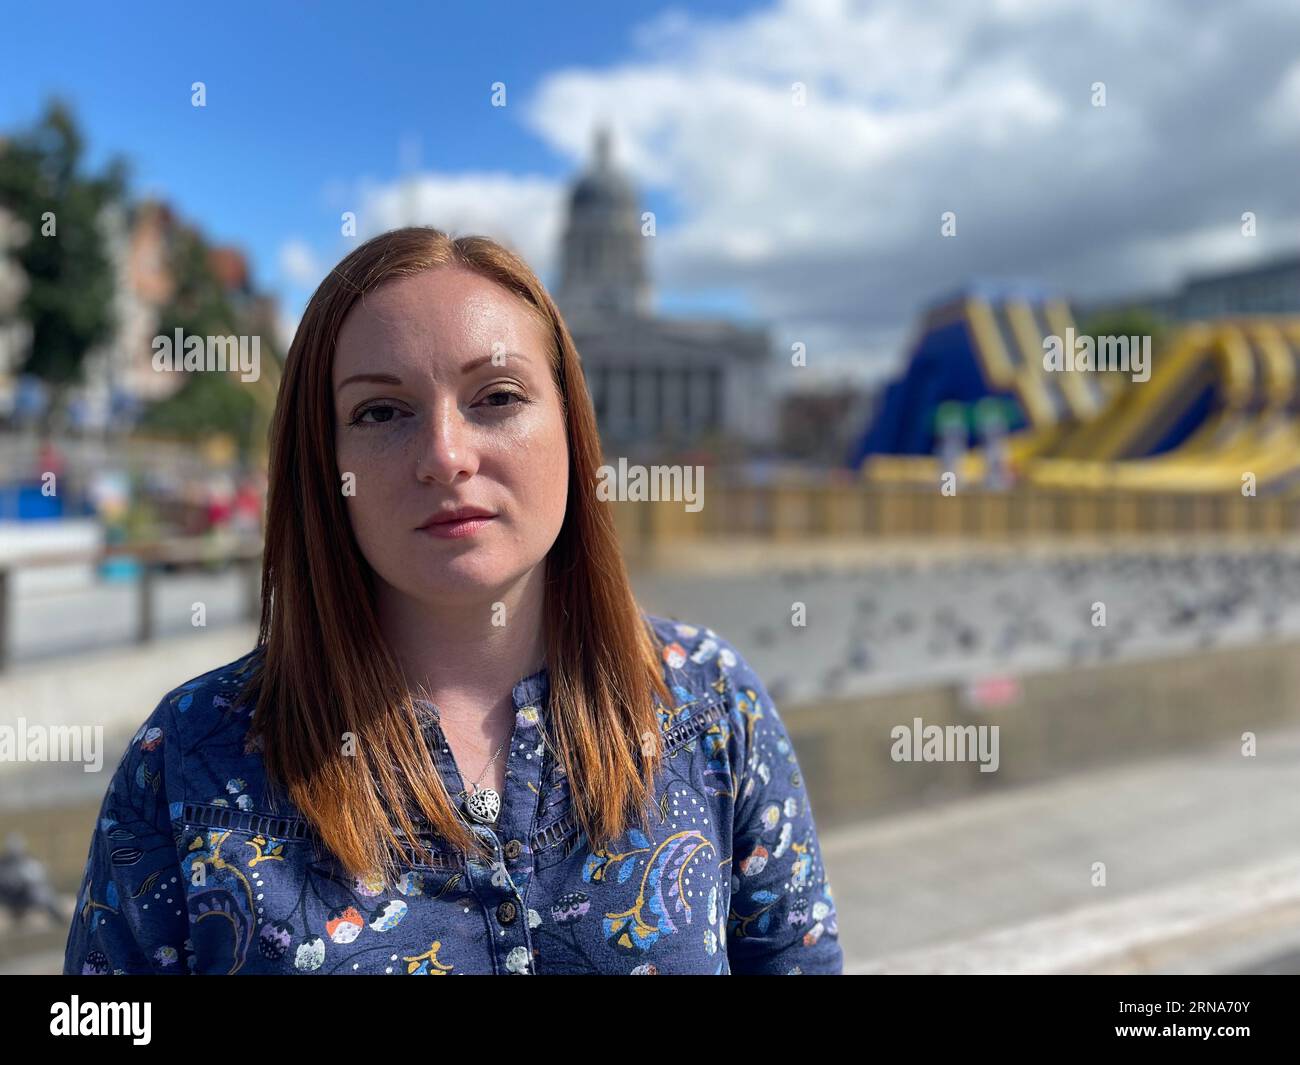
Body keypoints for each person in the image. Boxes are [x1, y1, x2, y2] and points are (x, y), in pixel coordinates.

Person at [62, 226, 842, 975]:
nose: (445, 455)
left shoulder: (711, 703)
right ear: (323, 458)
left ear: (571, 425)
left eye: (497, 396)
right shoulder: (188, 758)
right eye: (380, 411)